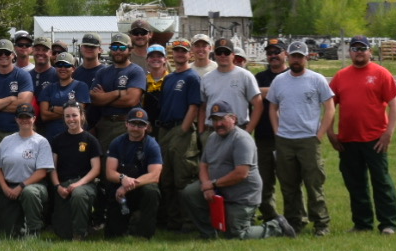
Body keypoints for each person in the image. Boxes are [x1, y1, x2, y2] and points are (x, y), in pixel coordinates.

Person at [182, 101, 296, 239]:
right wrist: (207, 186)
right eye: (215, 120)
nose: (218, 124)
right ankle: (209, 234)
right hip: (219, 189)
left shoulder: (242, 139)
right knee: (190, 193)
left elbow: (241, 173)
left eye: (222, 119)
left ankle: (277, 226)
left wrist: (213, 184)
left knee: (237, 234)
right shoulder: (212, 137)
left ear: (234, 119)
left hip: (242, 196)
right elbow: (204, 165)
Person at [329, 36, 396, 235]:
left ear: (370, 52)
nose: (359, 52)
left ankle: (388, 223)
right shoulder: (341, 76)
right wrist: (330, 132)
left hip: (375, 139)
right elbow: (329, 106)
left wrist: (389, 133)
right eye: (355, 49)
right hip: (348, 140)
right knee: (355, 183)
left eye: (363, 48)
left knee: (381, 181)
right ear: (350, 52)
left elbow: (395, 104)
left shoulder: (381, 74)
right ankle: (362, 223)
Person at [270, 40, 336, 237]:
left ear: (307, 58)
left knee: (314, 184)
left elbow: (330, 107)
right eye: (293, 56)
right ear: (287, 57)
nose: (296, 60)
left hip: (309, 139)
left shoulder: (317, 80)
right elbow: (272, 107)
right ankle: (294, 222)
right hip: (285, 140)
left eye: (300, 56)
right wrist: (277, 130)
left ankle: (321, 224)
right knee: (289, 185)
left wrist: (320, 133)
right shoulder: (279, 81)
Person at [156, 39, 204, 231]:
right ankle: (172, 220)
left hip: (181, 129)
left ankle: (189, 221)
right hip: (165, 130)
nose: (180, 55)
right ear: (172, 55)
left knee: (183, 178)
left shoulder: (192, 77)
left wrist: (183, 129)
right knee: (165, 178)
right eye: (176, 52)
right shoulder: (169, 78)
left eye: (183, 52)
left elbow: (195, 106)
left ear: (189, 55)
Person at [0, 106, 52, 239]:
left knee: (29, 193)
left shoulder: (41, 142)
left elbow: (42, 172)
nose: (25, 120)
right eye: (21, 117)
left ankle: (33, 231)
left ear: (34, 119)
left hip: (33, 186)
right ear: (16, 120)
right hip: (9, 186)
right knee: (7, 233)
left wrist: (21, 186)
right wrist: (4, 187)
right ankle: (18, 227)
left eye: (28, 117)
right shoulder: (7, 141)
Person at [103, 108, 163, 239]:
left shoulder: (152, 145)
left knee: (152, 191)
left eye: (140, 124)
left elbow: (155, 175)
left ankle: (145, 234)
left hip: (139, 189)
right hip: (119, 190)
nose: (136, 128)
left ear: (146, 126)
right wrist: (122, 178)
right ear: (126, 123)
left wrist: (128, 185)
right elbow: (109, 172)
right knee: (113, 234)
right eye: (133, 124)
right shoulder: (116, 143)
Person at [50, 103, 102, 241]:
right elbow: (52, 168)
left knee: (78, 195)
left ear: (82, 116)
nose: (71, 119)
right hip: (64, 185)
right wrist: (57, 187)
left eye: (74, 115)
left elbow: (96, 169)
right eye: (67, 116)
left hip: (85, 185)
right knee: (63, 233)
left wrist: (79, 184)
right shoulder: (57, 140)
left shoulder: (91, 140)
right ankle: (75, 229)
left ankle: (80, 234)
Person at [89, 33, 147, 148]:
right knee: (106, 162)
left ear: (130, 50)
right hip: (105, 125)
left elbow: (131, 100)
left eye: (122, 48)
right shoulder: (102, 72)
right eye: (114, 48)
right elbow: (94, 98)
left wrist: (105, 97)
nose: (118, 51)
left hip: (126, 124)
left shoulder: (136, 71)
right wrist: (119, 93)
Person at [251, 39, 287, 222]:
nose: (273, 55)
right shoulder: (259, 77)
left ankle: (295, 218)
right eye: (270, 52)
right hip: (263, 136)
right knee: (264, 181)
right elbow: (254, 94)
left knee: (289, 181)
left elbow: (261, 93)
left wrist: (266, 92)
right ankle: (270, 215)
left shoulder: (292, 74)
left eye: (277, 51)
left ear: (285, 54)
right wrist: (281, 91)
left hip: (288, 137)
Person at [0, 39, 35, 146]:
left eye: (7, 53)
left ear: (13, 55)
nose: (3, 55)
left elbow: (23, 105)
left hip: (18, 129)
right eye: (0, 53)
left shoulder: (23, 76)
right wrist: (11, 99)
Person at [201, 38, 263, 131]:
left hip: (237, 129)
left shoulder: (245, 76)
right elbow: (202, 108)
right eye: (219, 52)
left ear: (233, 55)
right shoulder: (206, 78)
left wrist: (248, 131)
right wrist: (201, 132)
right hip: (213, 130)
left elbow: (258, 105)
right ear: (214, 55)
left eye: (226, 52)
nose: (223, 55)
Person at [37, 53, 89, 146]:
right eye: (59, 65)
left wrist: (53, 108)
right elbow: (44, 116)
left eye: (67, 65)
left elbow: (79, 111)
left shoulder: (81, 86)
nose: (62, 68)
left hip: (76, 137)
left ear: (73, 69)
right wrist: (70, 114)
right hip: (53, 138)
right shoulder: (49, 88)